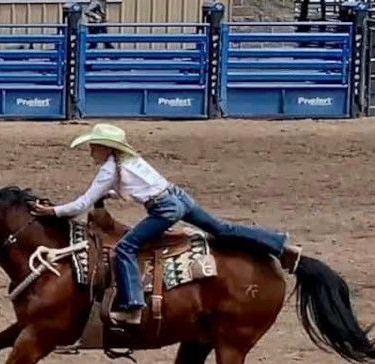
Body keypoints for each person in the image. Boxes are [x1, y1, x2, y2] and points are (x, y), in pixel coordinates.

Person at [29, 124, 302, 325]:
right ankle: (279, 244)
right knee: (221, 230)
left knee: (125, 248)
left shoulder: (109, 169)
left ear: (105, 147)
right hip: (178, 196)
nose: (91, 151)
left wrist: (51, 210)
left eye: (94, 146)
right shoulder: (129, 161)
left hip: (164, 208)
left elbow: (81, 205)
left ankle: (133, 304)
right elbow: (136, 185)